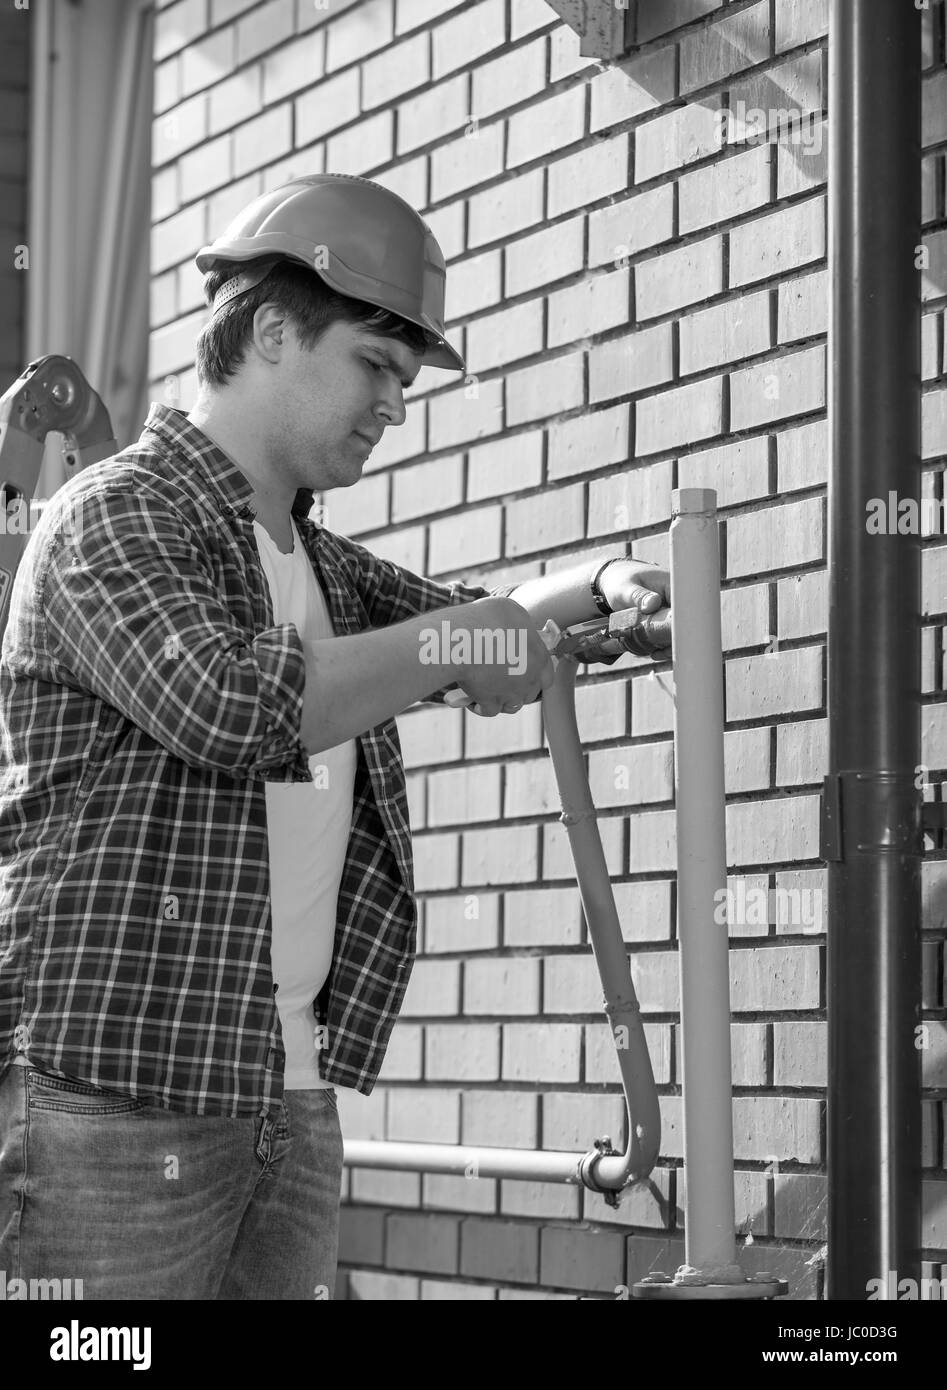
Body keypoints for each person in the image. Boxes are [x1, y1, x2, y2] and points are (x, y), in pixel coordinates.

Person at [0, 174, 670, 1300]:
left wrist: (600, 590)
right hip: (109, 1102)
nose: (394, 406)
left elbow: (469, 617)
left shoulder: (319, 566)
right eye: (375, 365)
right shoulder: (113, 513)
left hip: (284, 1093)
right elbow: (227, 703)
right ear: (270, 327)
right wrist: (460, 640)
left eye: (404, 381)